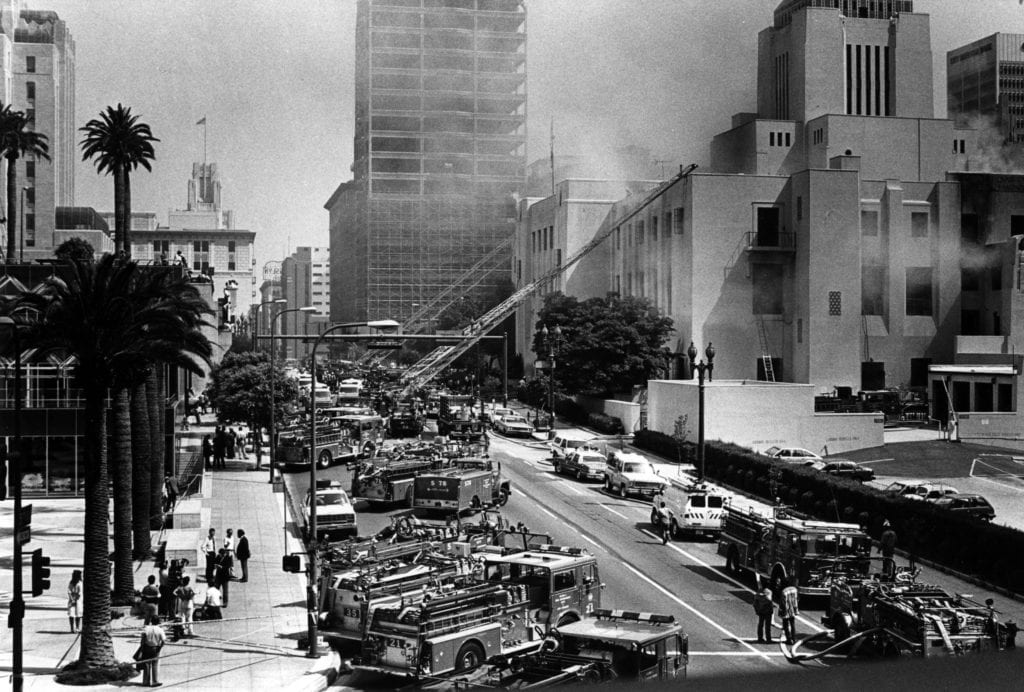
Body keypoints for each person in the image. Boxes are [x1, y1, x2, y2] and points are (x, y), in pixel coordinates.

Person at [138, 614, 166, 687]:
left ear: (151, 621)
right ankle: (155, 681)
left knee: (146, 664)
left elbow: (143, 639)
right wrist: (159, 647)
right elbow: (163, 640)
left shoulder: (146, 628)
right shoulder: (160, 630)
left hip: (147, 647)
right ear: (158, 622)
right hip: (155, 647)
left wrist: (142, 648)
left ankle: (146, 681)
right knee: (155, 664)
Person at [780, 577, 800, 645]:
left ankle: (788, 639)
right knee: (792, 624)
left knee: (785, 625)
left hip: (786, 610)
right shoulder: (795, 589)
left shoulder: (784, 591)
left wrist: (782, 611)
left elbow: (783, 602)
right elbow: (796, 600)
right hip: (793, 610)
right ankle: (794, 639)